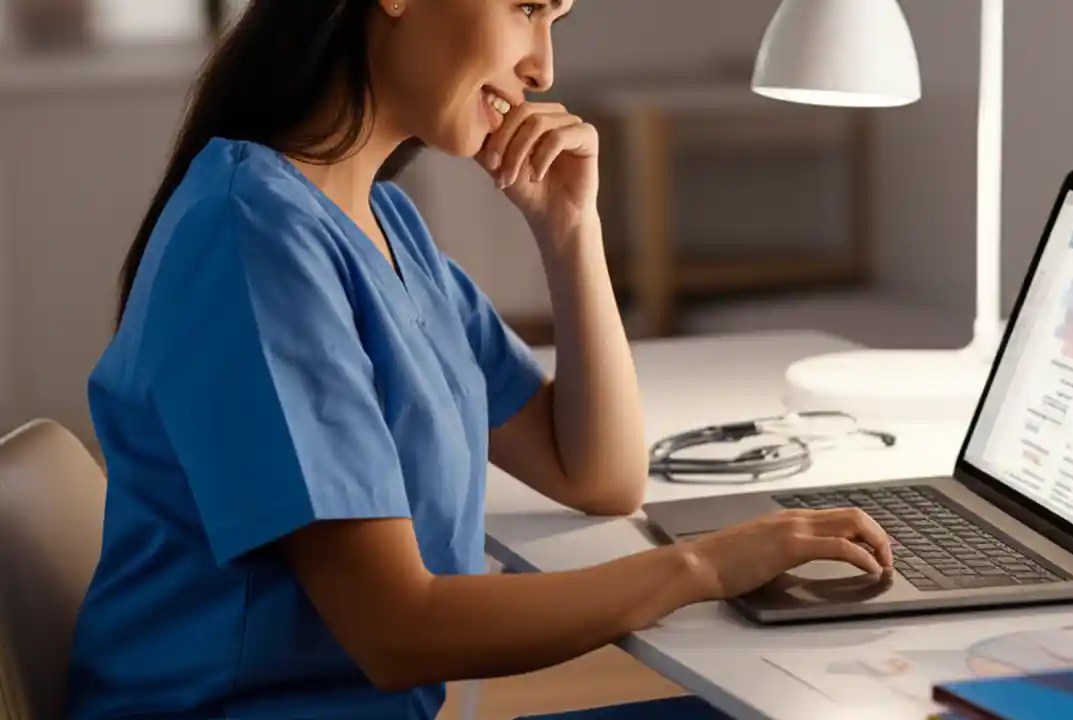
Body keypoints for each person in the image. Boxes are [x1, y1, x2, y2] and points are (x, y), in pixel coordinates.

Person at [65, 1, 894, 718]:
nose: (542, 66)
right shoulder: (255, 240)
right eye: (526, 10)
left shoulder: (383, 225)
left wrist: (573, 234)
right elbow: (398, 631)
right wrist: (703, 564)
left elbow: (597, 474)